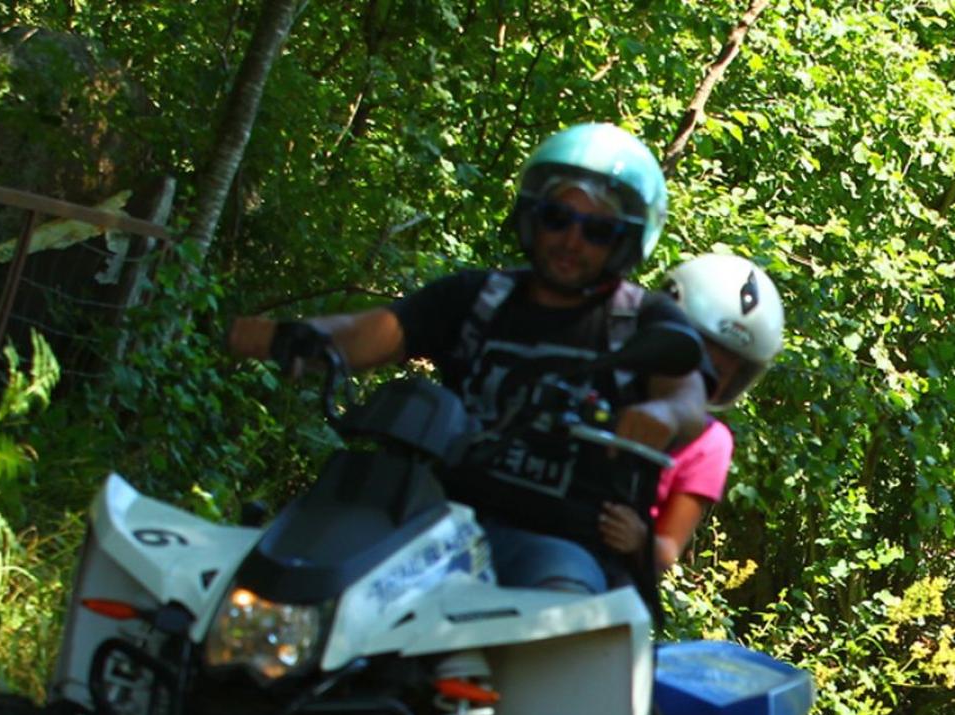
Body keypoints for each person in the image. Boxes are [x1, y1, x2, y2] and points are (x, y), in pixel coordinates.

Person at [225, 122, 710, 595]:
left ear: (624, 240)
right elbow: (378, 330)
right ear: (531, 216)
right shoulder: (479, 297)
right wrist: (301, 337)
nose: (571, 240)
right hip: (430, 518)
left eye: (597, 230)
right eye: (557, 218)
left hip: (561, 541)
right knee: (304, 569)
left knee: (558, 608)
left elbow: (686, 393)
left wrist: (662, 414)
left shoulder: (642, 319)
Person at [595, 253, 785, 573]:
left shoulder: (711, 442)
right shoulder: (604, 379)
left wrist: (640, 538)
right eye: (696, 359)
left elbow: (669, 547)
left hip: (606, 572)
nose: (701, 380)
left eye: (719, 374)